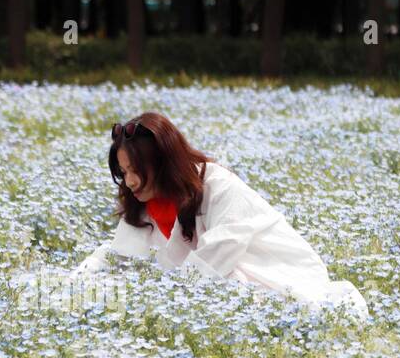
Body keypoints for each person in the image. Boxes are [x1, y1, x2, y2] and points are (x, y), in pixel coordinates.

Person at [75, 112, 368, 317]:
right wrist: (76, 282)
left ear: (164, 164)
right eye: (124, 172)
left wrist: (160, 297)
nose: (130, 182)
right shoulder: (144, 202)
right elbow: (119, 255)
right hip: (200, 289)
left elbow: (217, 256)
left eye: (136, 171)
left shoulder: (218, 185)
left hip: (272, 276)